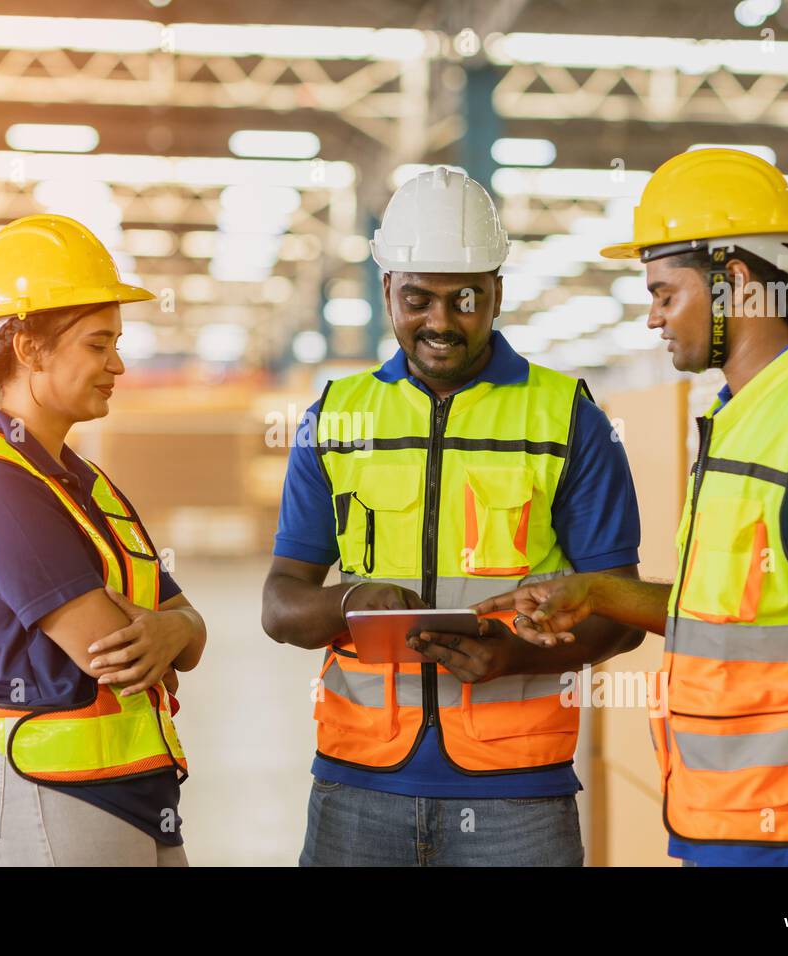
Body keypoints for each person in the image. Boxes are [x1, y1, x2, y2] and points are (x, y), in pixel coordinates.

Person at [477, 148, 788, 866]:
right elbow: (725, 620)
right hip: (723, 823)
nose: (653, 318)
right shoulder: (737, 418)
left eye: (666, 293)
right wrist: (594, 591)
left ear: (736, 284)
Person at [262, 166, 645, 867]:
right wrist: (351, 602)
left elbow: (622, 614)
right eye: (418, 298)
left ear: (497, 292)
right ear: (387, 293)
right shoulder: (336, 418)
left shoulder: (570, 421)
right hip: (357, 787)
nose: (440, 322)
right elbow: (281, 607)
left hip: (519, 798)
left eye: (464, 298)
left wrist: (516, 657)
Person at [0, 214, 207, 866]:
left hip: (135, 793)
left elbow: (187, 633)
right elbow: (111, 652)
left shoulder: (84, 483)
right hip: (51, 802)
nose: (119, 365)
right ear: (28, 350)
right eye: (98, 344)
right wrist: (173, 630)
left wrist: (174, 631)